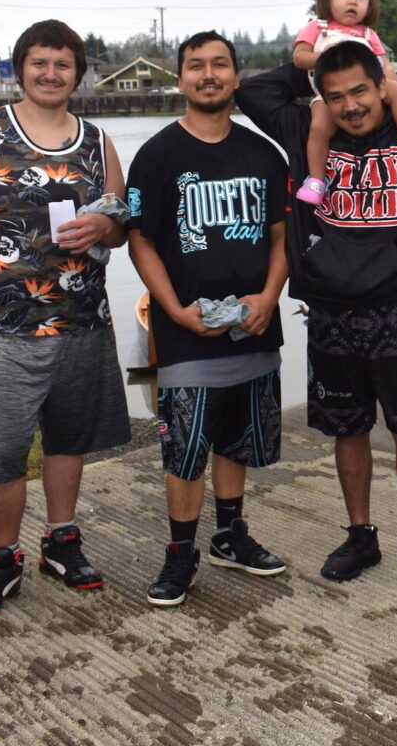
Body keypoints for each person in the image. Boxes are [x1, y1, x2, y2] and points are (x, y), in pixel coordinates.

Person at [236, 40, 397, 583]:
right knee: (348, 428)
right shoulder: (306, 131)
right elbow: (252, 90)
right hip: (332, 310)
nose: (350, 106)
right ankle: (360, 536)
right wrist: (310, 62)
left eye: (360, 90)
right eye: (335, 97)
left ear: (384, 86)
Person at [0, 19, 130, 619]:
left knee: (68, 441)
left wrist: (107, 227)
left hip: (81, 321)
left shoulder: (97, 140)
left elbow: (120, 222)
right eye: (39, 63)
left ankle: (61, 541)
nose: (50, 74)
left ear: (78, 73)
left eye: (62, 64)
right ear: (20, 69)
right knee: (4, 450)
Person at [126, 32, 290, 606]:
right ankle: (179, 554)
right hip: (186, 331)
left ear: (237, 77)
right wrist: (171, 310)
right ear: (181, 79)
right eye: (196, 66)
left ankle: (230, 534)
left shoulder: (264, 154)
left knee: (236, 439)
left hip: (252, 325)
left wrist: (271, 295)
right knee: (186, 446)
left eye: (220, 64)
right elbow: (140, 242)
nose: (209, 74)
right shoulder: (157, 155)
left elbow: (281, 236)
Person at [292, 0, 397, 206]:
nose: (353, 2)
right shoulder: (319, 27)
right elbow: (299, 58)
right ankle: (316, 179)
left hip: (369, 91)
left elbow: (385, 68)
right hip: (329, 95)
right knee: (318, 126)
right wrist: (326, 57)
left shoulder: (368, 33)